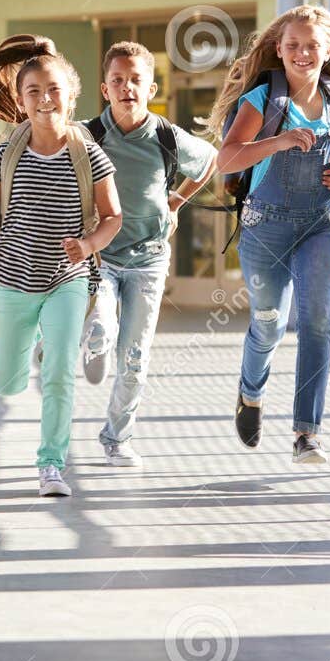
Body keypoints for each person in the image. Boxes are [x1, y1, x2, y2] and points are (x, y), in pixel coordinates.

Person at [0, 35, 122, 498]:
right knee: (6, 380)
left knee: (59, 372)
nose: (45, 98)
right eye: (33, 90)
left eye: (54, 89)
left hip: (66, 280)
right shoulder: (7, 154)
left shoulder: (89, 154)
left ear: (71, 96)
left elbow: (114, 217)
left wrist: (88, 244)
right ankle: (36, 343)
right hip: (14, 278)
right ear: (20, 101)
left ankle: (51, 465)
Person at [208, 5, 330, 466]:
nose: (303, 53)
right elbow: (227, 158)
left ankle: (306, 433)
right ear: (278, 50)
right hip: (266, 226)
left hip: (323, 223)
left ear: (328, 50)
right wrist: (278, 141)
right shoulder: (263, 99)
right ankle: (250, 391)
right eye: (293, 45)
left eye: (312, 46)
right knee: (269, 321)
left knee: (316, 320)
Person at [79, 41, 217, 466]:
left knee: (135, 358)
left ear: (151, 88)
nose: (127, 88)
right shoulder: (87, 135)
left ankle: (117, 439)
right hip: (101, 256)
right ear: (105, 89)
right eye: (118, 80)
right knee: (102, 322)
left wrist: (176, 201)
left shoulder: (165, 136)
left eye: (136, 80)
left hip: (150, 259)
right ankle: (95, 342)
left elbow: (210, 161)